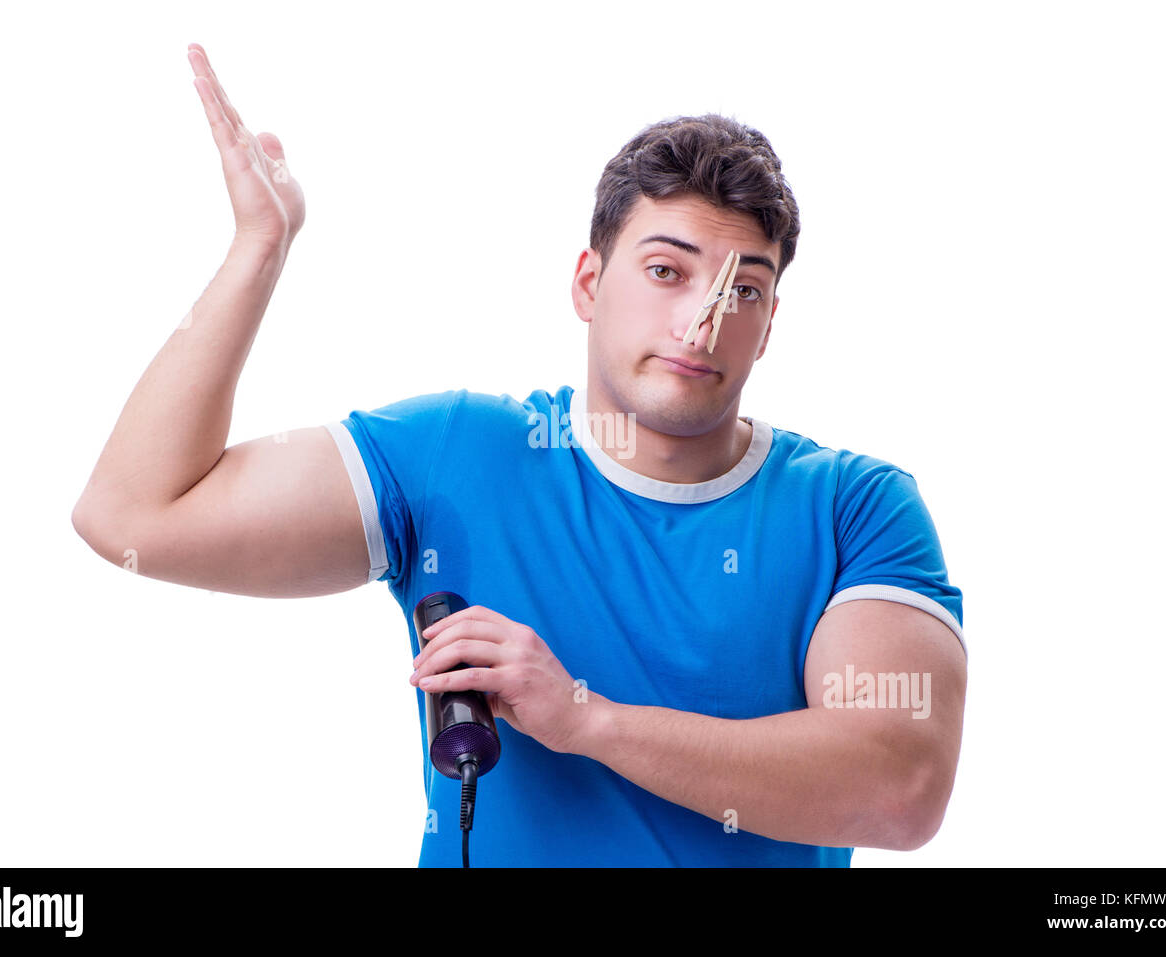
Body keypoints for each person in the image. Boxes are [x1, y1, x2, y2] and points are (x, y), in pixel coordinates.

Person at [73, 43, 967, 867]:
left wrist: (585, 717)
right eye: (667, 270)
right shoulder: (461, 456)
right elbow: (134, 515)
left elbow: (900, 788)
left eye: (744, 290)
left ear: (770, 323)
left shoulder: (857, 506)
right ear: (589, 283)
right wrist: (258, 248)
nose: (701, 318)